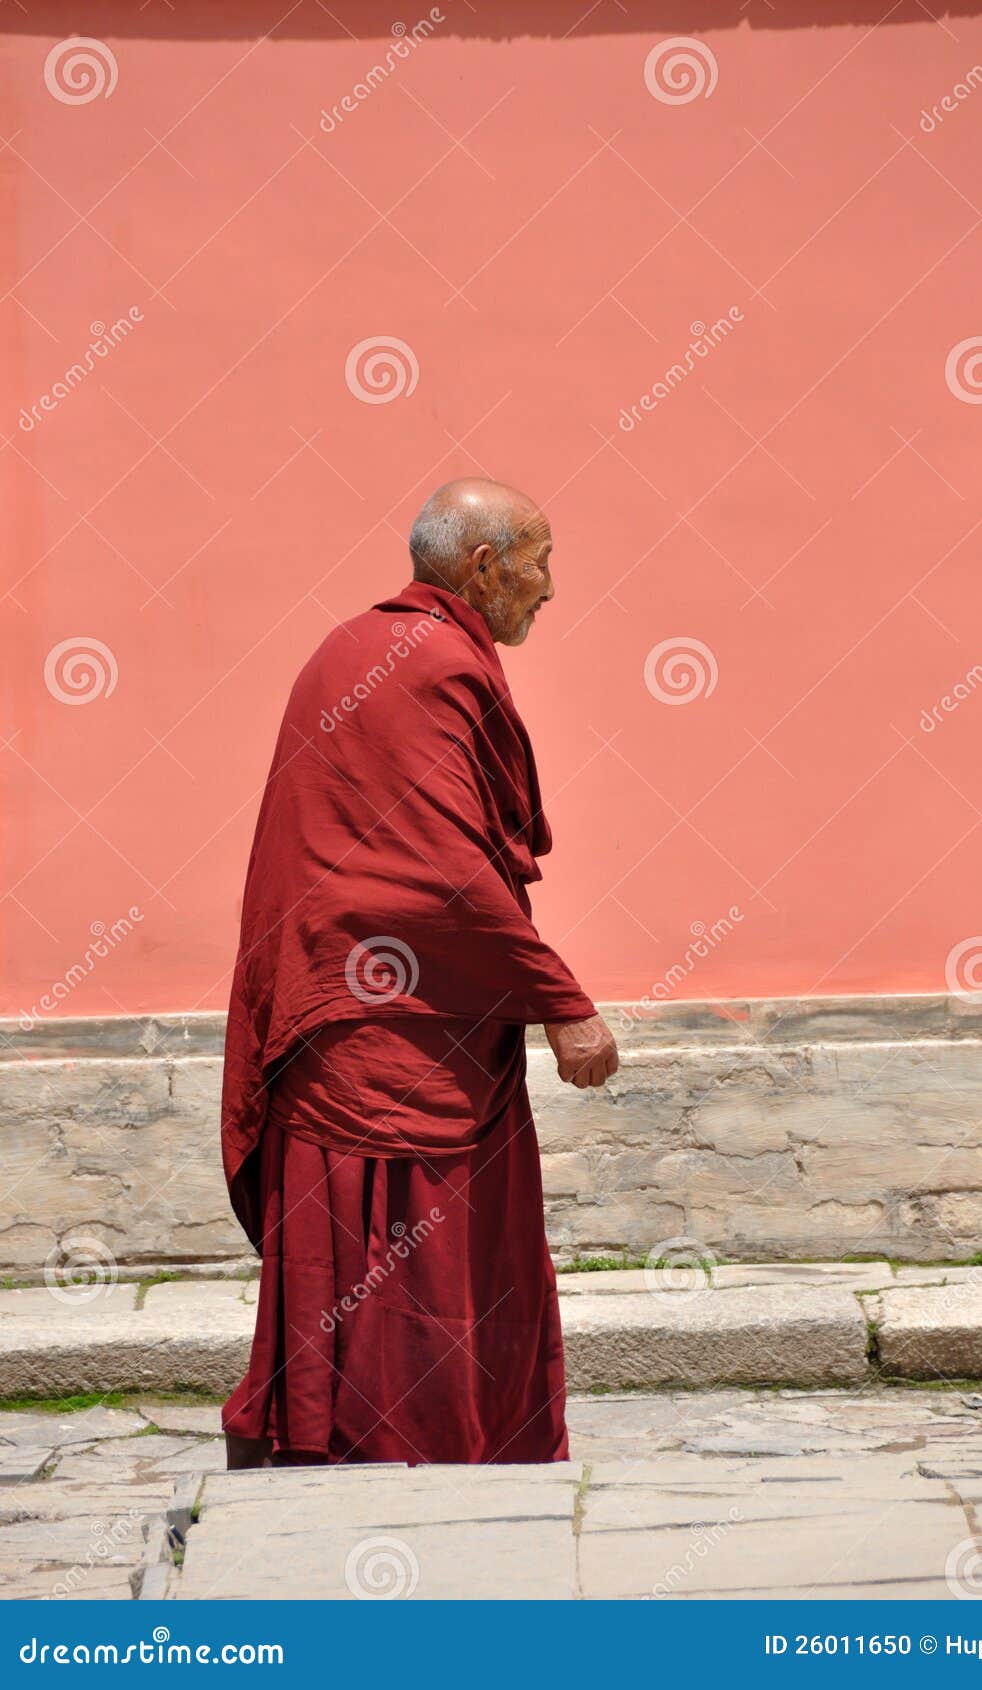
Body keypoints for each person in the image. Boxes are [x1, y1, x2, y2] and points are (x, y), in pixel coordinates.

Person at [220, 477, 618, 1469]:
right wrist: (563, 1003)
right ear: (482, 567)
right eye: (540, 558)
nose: (550, 586)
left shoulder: (361, 648)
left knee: (400, 1246)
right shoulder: (428, 659)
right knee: (411, 1242)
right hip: (377, 1017)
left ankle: (373, 1434)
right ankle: (405, 1443)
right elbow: (440, 866)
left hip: (373, 1001)